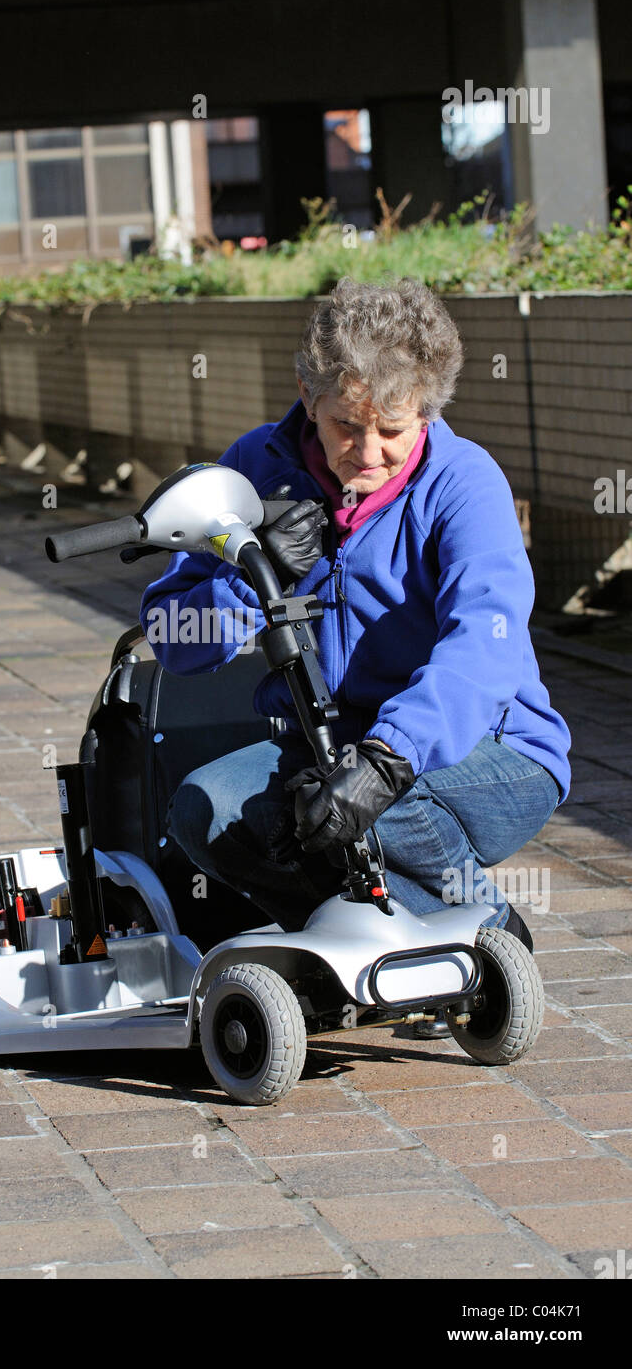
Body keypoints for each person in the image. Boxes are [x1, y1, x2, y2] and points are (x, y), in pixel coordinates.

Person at [139, 278, 570, 1034]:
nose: (365, 453)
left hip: (492, 748)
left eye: (393, 432)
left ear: (428, 411)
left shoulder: (464, 485)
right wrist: (251, 580)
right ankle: (353, 960)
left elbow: (484, 643)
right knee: (203, 812)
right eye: (345, 426)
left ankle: (487, 926)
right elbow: (171, 641)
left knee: (368, 812)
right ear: (308, 396)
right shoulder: (251, 471)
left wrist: (385, 757)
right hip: (319, 747)